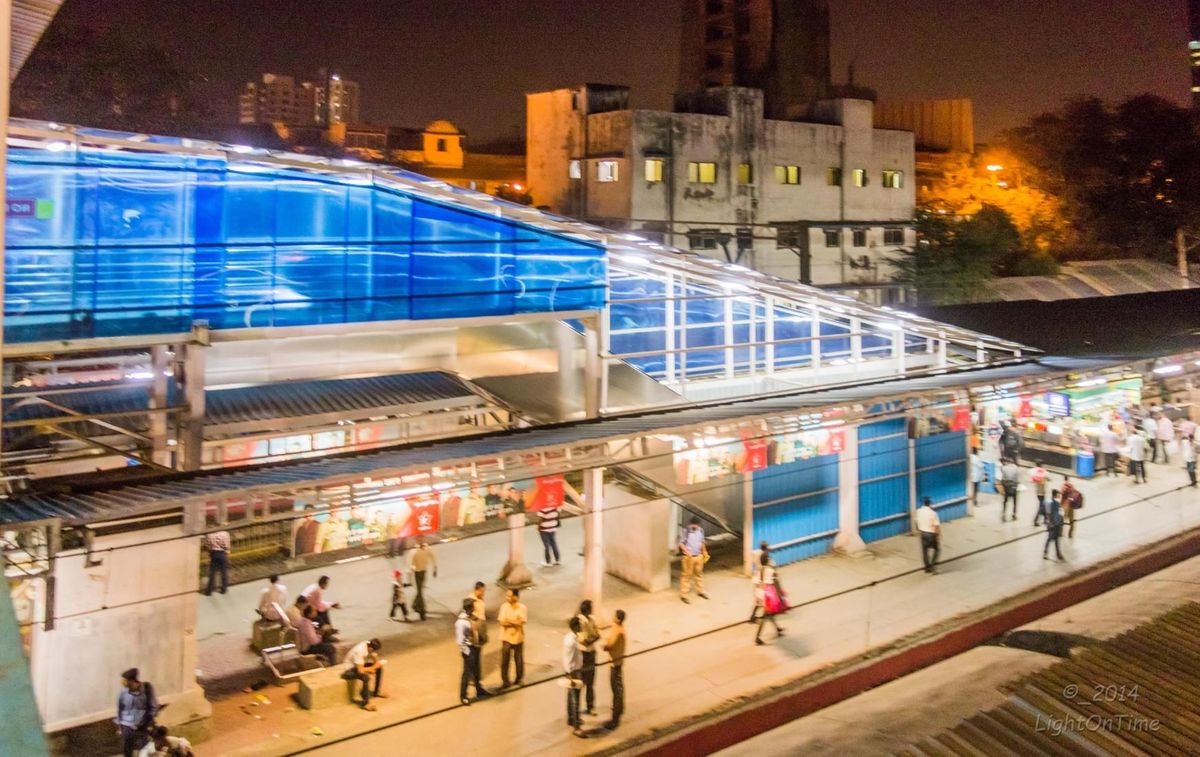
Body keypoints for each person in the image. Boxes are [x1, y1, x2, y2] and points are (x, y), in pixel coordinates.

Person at [115, 668, 158, 757]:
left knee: (144, 752)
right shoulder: (123, 693)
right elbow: (120, 709)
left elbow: (153, 707)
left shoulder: (147, 689)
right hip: (126, 728)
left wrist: (145, 723)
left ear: (131, 680)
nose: (122, 682)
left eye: (125, 680)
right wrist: (120, 726)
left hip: (141, 728)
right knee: (127, 752)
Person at [456, 598, 489, 704]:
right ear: (470, 608)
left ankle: (479, 690)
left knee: (476, 671)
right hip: (469, 649)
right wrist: (467, 652)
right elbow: (460, 640)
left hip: (475, 647)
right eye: (473, 607)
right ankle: (463, 696)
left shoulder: (471, 618)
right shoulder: (461, 622)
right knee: (467, 673)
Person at [286, 598, 337, 663]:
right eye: (314, 611)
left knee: (326, 644)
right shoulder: (306, 624)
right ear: (309, 614)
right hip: (306, 648)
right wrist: (321, 634)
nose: (316, 612)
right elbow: (314, 641)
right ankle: (333, 665)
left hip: (304, 645)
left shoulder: (304, 621)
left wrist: (318, 633)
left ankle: (325, 661)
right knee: (330, 648)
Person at [342, 638, 387, 711]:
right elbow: (360, 670)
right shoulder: (360, 651)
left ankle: (376, 692)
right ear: (370, 648)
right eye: (373, 651)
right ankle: (365, 704)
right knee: (365, 677)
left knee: (379, 668)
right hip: (348, 671)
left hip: (356, 666)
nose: (373, 653)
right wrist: (372, 668)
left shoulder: (368, 644)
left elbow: (374, 663)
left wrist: (375, 661)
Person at [574, 599, 601, 715]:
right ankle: (576, 709)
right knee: (580, 682)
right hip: (583, 654)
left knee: (590, 683)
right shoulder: (579, 621)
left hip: (591, 653)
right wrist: (592, 638)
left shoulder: (592, 619)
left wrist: (591, 638)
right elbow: (584, 641)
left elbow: (597, 635)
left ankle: (590, 706)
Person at [498, 588, 528, 688]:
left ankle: (518, 679)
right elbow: (502, 622)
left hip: (518, 638)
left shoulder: (522, 607)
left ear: (516, 597)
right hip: (506, 637)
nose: (507, 598)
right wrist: (515, 621)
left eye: (509, 596)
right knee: (505, 660)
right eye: (507, 596)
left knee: (518, 659)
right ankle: (505, 681)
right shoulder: (504, 607)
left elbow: (521, 622)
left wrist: (509, 621)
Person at [754, 551, 785, 645]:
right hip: (769, 595)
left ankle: (778, 629)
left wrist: (757, 596)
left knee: (769, 613)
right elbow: (776, 583)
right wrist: (780, 595)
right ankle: (757, 637)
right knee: (766, 615)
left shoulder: (759, 570)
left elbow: (756, 583)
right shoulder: (770, 570)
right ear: (767, 560)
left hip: (761, 593)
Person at [603, 609, 627, 730]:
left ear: (618, 619)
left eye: (613, 616)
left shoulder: (617, 630)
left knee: (616, 690)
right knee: (619, 688)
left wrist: (604, 644)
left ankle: (615, 719)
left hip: (615, 663)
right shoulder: (619, 628)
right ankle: (620, 709)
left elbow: (609, 645)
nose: (611, 617)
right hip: (618, 661)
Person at [563, 616, 585, 737]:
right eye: (580, 624)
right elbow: (568, 659)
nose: (581, 626)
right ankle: (577, 726)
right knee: (575, 698)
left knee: (571, 696)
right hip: (574, 672)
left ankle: (571, 718)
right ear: (576, 626)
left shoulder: (572, 637)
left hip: (574, 670)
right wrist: (571, 675)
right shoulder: (571, 641)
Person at [678, 516, 709, 603]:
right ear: (690, 524)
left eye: (697, 525)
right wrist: (686, 551)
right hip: (688, 557)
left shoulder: (701, 530)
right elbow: (681, 543)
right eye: (694, 525)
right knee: (686, 576)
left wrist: (704, 552)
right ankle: (684, 595)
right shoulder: (686, 531)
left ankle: (701, 591)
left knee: (699, 574)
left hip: (698, 556)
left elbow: (702, 542)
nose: (695, 526)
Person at [466, 581, 489, 685]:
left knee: (478, 654)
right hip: (475, 631)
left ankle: (476, 677)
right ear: (477, 590)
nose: (483, 593)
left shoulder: (480, 599)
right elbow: (467, 614)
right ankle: (473, 677)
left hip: (480, 629)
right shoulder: (471, 601)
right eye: (482, 591)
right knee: (474, 655)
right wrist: (477, 621)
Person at [409, 538, 437, 621]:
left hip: (422, 572)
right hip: (418, 573)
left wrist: (435, 569)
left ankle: (415, 605)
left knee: (420, 591)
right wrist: (435, 569)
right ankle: (422, 611)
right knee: (420, 592)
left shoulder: (423, 550)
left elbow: (433, 558)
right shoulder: (416, 551)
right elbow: (411, 565)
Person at [916, 496, 941, 573]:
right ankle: (933, 566)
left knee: (925, 551)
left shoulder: (919, 511)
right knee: (937, 549)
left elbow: (916, 521)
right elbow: (936, 526)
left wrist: (919, 529)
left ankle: (927, 568)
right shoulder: (933, 513)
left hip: (923, 533)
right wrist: (937, 535)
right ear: (930, 504)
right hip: (931, 534)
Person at [202, 529, 230, 596]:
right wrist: (227, 551)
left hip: (214, 553)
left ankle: (209, 591)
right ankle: (224, 589)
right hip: (222, 553)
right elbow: (227, 545)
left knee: (212, 572)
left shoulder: (210, 534)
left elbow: (208, 545)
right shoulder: (225, 533)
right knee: (224, 572)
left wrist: (210, 553)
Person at [749, 540, 771, 623]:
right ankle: (753, 616)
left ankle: (757, 614)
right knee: (760, 598)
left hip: (756, 576)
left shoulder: (756, 552)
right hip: (761, 578)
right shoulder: (764, 555)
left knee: (759, 598)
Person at [1043, 491, 1065, 561]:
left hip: (1056, 523)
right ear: (1055, 495)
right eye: (1058, 495)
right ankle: (1046, 553)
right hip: (1052, 524)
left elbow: (1060, 513)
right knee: (1050, 538)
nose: (1059, 496)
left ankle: (1058, 554)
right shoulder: (1050, 503)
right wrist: (1050, 523)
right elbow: (1048, 514)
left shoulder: (1056, 502)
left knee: (1056, 539)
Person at [1060, 475, 1081, 540]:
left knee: (1062, 520)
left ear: (1064, 479)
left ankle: (1060, 532)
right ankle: (1070, 534)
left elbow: (1062, 497)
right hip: (1071, 505)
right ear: (1068, 479)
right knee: (1071, 521)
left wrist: (1061, 504)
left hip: (1065, 506)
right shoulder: (1072, 486)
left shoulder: (1063, 487)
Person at [1030, 461, 1049, 527]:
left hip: (1038, 492)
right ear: (1041, 465)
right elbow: (1048, 478)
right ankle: (1035, 520)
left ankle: (1046, 519)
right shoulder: (1043, 472)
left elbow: (1032, 480)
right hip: (1042, 492)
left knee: (1043, 505)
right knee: (1041, 507)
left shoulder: (1035, 472)